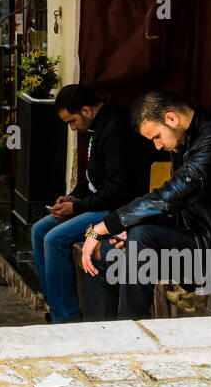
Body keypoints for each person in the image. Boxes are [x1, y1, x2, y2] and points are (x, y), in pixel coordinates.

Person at [79, 90, 211, 320]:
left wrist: (102, 227)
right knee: (110, 261)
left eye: (157, 136)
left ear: (171, 118)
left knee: (141, 236)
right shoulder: (185, 143)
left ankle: (130, 337)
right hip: (207, 246)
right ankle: (110, 338)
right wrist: (126, 231)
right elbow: (179, 208)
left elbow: (169, 196)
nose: (157, 146)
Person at [30, 85, 156, 323]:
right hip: (93, 204)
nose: (72, 127)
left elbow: (117, 193)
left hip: (114, 210)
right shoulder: (96, 126)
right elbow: (91, 178)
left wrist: (76, 208)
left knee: (54, 239)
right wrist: (72, 198)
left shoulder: (116, 130)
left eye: (72, 121)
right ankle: (56, 306)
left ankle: (66, 319)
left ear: (87, 110)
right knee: (39, 230)